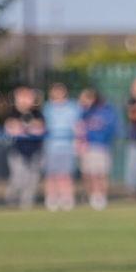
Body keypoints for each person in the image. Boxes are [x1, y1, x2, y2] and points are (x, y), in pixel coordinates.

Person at [3, 86, 45, 209]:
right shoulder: (12, 113)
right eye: (23, 97)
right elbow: (10, 128)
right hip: (18, 151)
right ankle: (12, 200)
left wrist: (27, 126)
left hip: (35, 151)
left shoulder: (37, 113)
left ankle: (26, 204)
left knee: (33, 179)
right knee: (19, 178)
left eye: (29, 97)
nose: (26, 100)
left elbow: (40, 128)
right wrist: (25, 126)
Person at [77, 88, 119, 210]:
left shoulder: (107, 111)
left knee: (101, 174)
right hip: (88, 147)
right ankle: (92, 197)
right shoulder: (84, 112)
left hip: (101, 146)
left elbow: (112, 128)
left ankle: (101, 197)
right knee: (89, 174)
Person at [42, 83, 79, 211]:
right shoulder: (47, 108)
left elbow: (77, 126)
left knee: (66, 174)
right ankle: (51, 198)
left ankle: (67, 198)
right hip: (51, 146)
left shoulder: (72, 107)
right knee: (51, 174)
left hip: (67, 146)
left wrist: (79, 142)